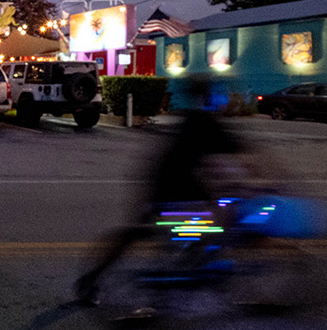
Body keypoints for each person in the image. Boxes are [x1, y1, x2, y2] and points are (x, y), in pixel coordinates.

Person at [74, 75, 250, 306]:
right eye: (221, 95)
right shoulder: (209, 124)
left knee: (139, 232)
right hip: (181, 189)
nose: (225, 100)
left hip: (162, 184)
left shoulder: (192, 119)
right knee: (226, 217)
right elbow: (247, 155)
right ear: (212, 97)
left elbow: (207, 162)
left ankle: (93, 277)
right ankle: (188, 268)